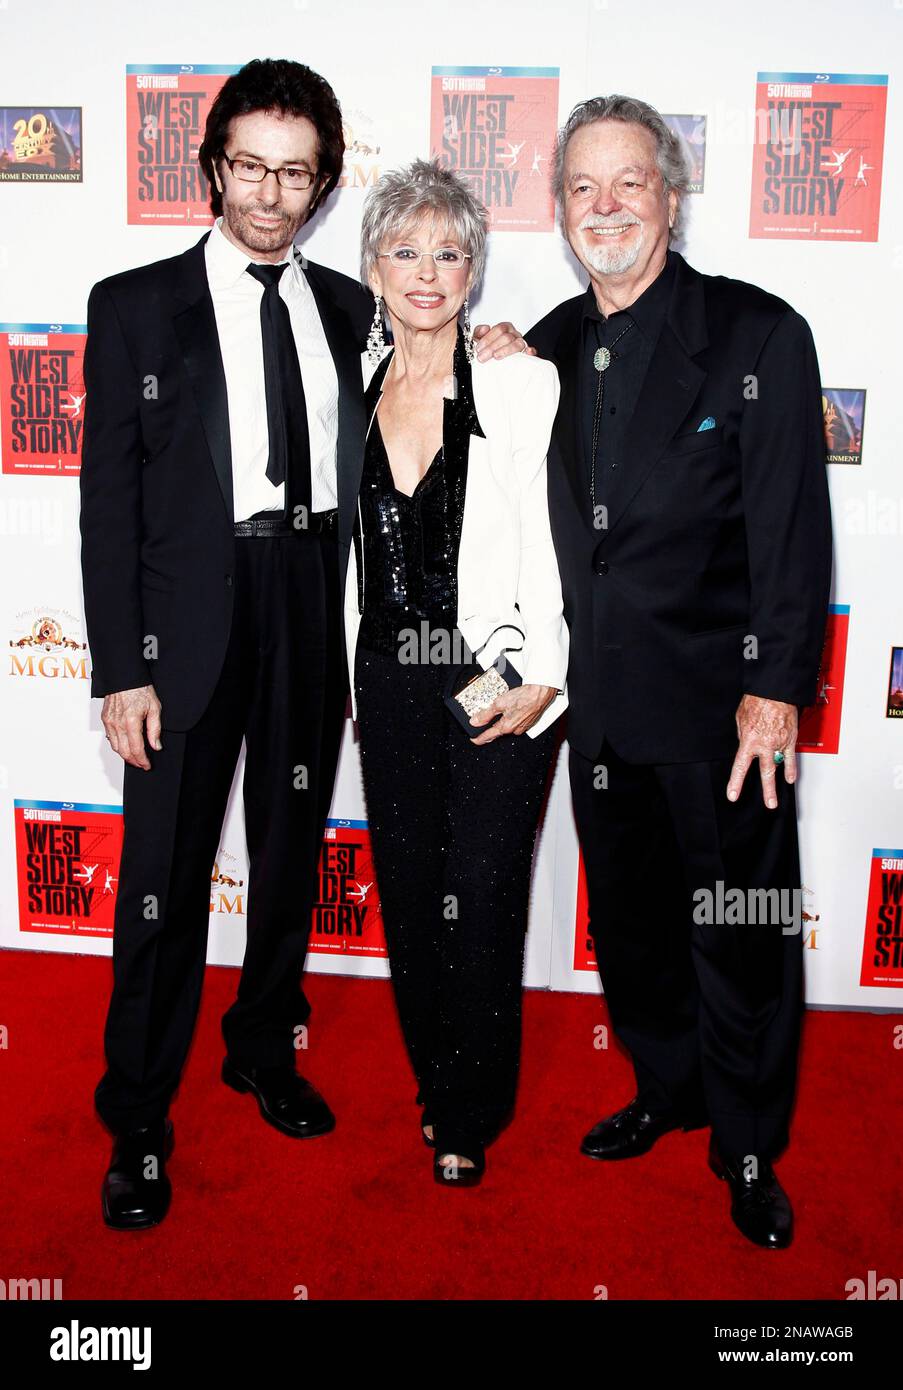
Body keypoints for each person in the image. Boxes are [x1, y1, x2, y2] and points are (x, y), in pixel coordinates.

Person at [80, 58, 526, 1230]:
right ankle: (135, 1118)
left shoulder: (348, 306)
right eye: (251, 167)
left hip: (315, 600)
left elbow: (444, 365)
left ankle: (262, 1051)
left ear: (324, 184)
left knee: (285, 859)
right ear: (212, 166)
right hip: (189, 614)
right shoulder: (132, 304)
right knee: (163, 880)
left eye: (296, 172)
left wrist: (508, 346)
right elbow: (106, 509)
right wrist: (121, 665)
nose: (271, 194)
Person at [528, 96, 832, 1247]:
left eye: (630, 185)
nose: (606, 210)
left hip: (723, 711)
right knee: (641, 925)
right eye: (583, 190)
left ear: (672, 197)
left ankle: (749, 1143)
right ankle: (666, 1087)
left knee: (741, 927)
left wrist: (776, 685)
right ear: (559, 210)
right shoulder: (545, 347)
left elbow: (793, 532)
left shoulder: (757, 335)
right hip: (597, 711)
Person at [343, 159, 568, 1185]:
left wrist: (538, 672)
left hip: (495, 670)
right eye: (405, 250)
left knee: (482, 892)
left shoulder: (519, 379)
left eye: (449, 251)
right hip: (387, 675)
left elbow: (550, 548)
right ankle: (437, 1072)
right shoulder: (347, 380)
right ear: (373, 265)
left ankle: (470, 1109)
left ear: (474, 267)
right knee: (410, 883)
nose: (427, 272)